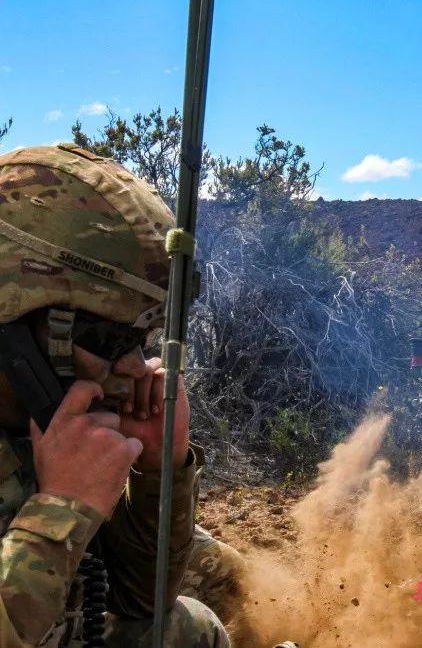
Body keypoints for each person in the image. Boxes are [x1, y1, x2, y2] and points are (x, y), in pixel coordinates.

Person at [0, 144, 241, 646]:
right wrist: (61, 509)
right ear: (16, 316)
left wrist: (158, 472)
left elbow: (138, 603)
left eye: (140, 340)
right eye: (106, 339)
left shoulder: (42, 415)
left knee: (216, 578)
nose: (133, 366)